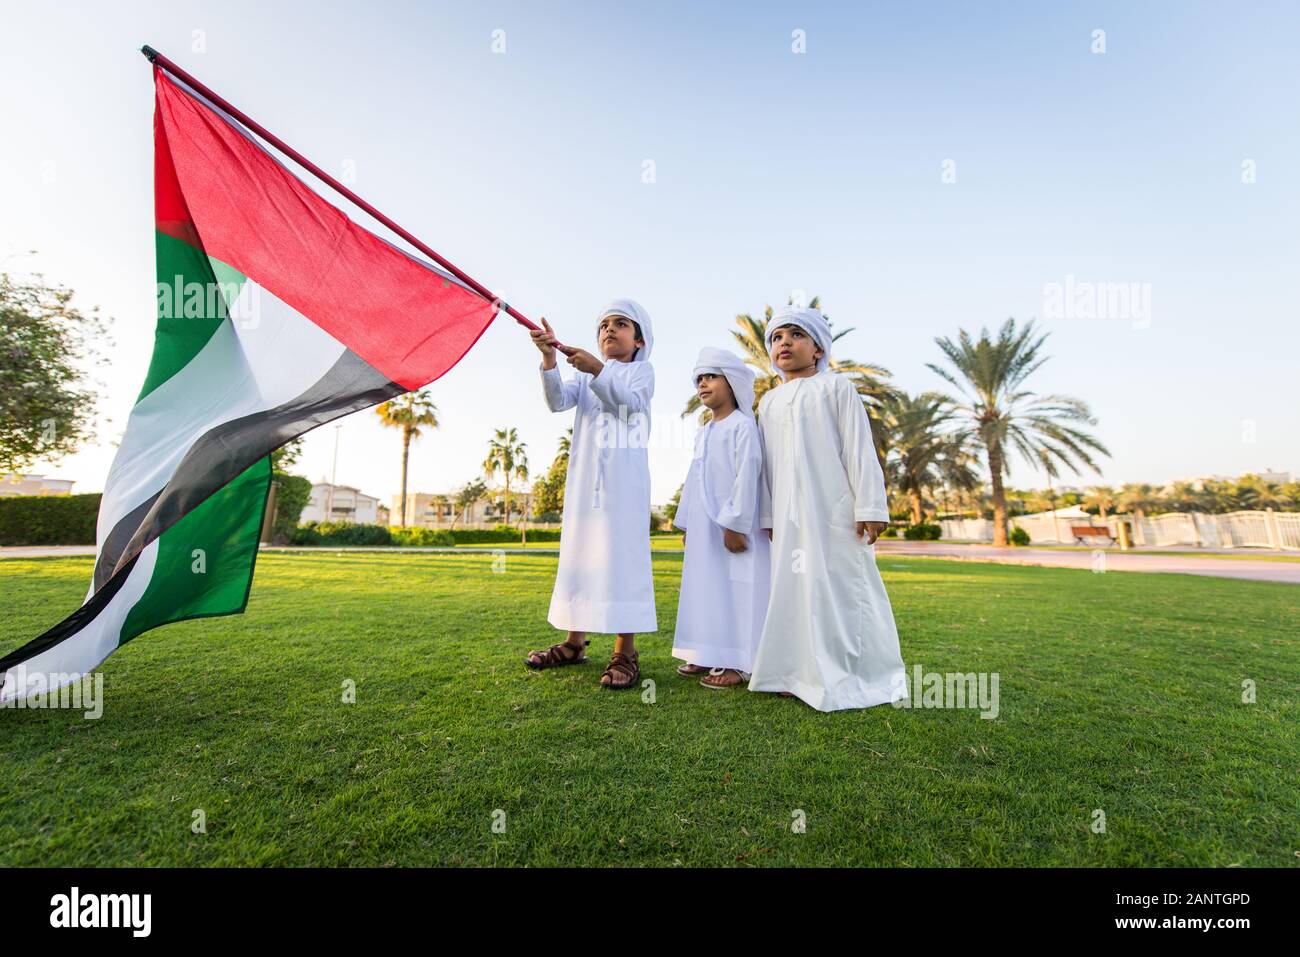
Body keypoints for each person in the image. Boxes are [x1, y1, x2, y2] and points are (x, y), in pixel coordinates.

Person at [749, 306, 908, 711]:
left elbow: (858, 447)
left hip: (835, 511)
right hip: (788, 516)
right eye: (776, 337)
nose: (784, 343)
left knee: (841, 591)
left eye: (795, 335)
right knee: (794, 592)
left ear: (818, 348)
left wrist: (870, 505)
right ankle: (794, 673)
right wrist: (768, 516)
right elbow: (765, 465)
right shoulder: (768, 402)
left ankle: (855, 675)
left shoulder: (837, 387)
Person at [523, 300, 657, 689]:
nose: (609, 330)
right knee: (579, 555)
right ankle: (573, 643)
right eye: (603, 326)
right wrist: (549, 358)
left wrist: (596, 369)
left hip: (624, 486)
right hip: (584, 484)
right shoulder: (583, 377)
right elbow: (556, 402)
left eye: (620, 324)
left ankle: (625, 652)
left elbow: (629, 405)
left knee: (622, 559)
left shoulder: (641, 372)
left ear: (639, 340)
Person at [671, 348, 771, 689]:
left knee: (739, 591)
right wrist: (686, 523)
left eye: (711, 376)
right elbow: (694, 478)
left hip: (733, 530)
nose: (702, 384)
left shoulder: (743, 426)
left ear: (734, 383)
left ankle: (742, 663)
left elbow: (748, 475)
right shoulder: (705, 431)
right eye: (699, 378)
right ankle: (707, 650)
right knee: (706, 588)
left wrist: (734, 525)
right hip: (704, 529)